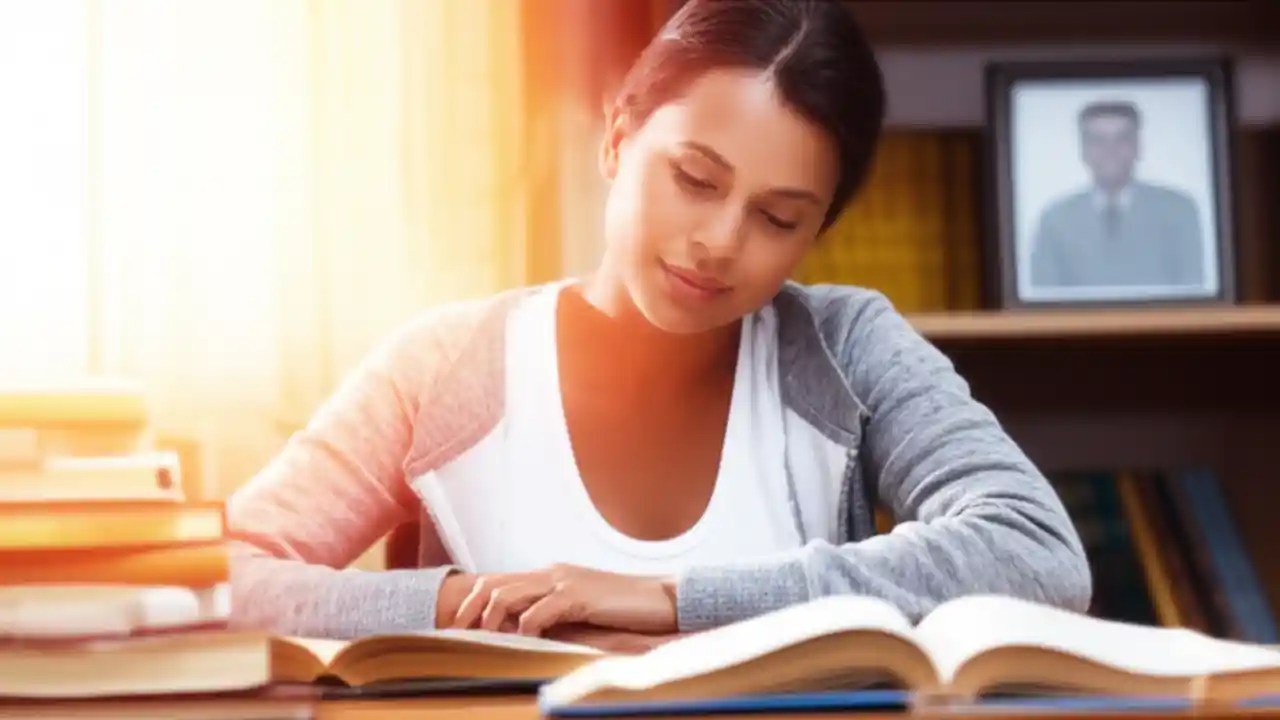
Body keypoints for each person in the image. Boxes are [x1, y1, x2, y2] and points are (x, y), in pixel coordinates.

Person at [227, 0, 1090, 651]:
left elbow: (1036, 553)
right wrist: (462, 605)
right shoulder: (444, 366)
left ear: (815, 233)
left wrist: (665, 596)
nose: (719, 243)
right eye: (695, 179)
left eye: (779, 219)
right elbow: (221, 577)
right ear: (617, 138)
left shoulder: (847, 345)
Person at [1028, 100, 1206, 291]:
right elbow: (1045, 298)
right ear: (1084, 150)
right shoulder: (1055, 219)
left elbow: (1191, 291)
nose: (1110, 150)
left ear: (1138, 146)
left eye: (1121, 139)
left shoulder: (1178, 210)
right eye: (1098, 140)